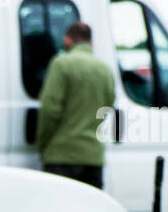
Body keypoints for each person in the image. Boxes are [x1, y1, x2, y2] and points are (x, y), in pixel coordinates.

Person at [37, 22, 116, 190]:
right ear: (91, 43)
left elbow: (50, 110)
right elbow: (108, 106)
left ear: (67, 40)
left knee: (59, 210)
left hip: (61, 156)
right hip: (93, 157)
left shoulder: (61, 64)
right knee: (90, 211)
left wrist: (42, 144)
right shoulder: (106, 70)